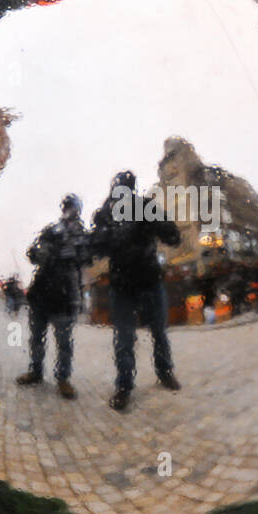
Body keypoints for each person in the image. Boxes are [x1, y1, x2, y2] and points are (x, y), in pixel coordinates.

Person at [91, 171, 182, 412]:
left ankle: (164, 372)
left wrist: (155, 222)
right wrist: (109, 232)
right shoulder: (106, 214)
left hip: (149, 279)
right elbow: (96, 248)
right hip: (122, 285)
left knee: (159, 332)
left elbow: (173, 236)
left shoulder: (144, 206)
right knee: (124, 338)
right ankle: (124, 386)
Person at [16, 194, 90, 400]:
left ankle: (63, 378)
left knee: (64, 341)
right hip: (43, 291)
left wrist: (72, 254)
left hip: (65, 295)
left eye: (73, 207)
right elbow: (33, 253)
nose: (69, 210)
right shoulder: (51, 230)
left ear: (78, 210)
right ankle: (36, 371)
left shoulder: (81, 234)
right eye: (67, 206)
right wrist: (40, 253)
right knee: (37, 338)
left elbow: (87, 258)